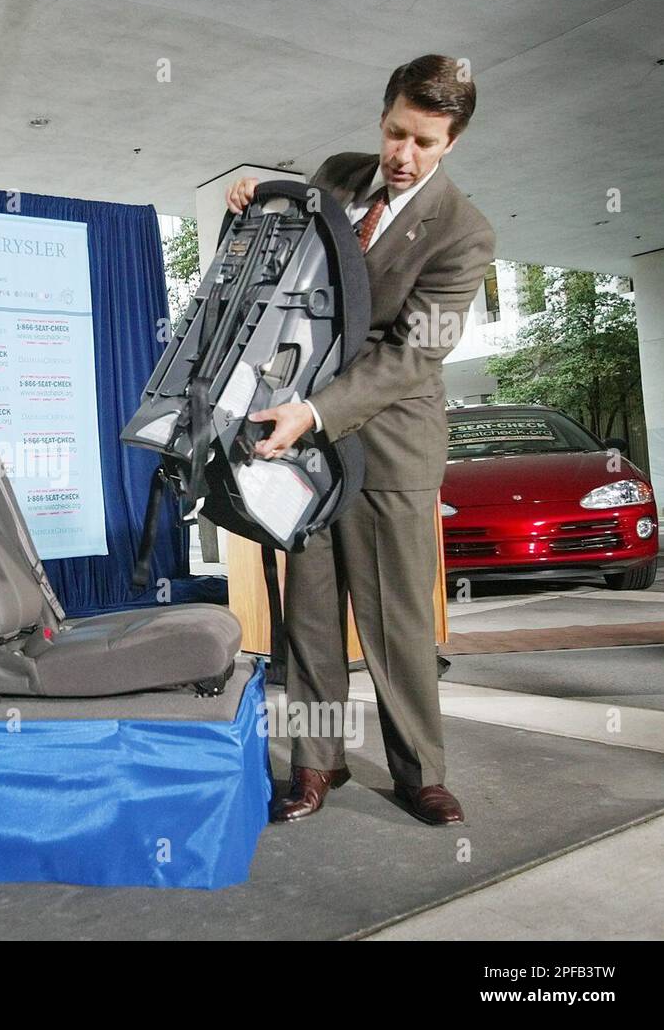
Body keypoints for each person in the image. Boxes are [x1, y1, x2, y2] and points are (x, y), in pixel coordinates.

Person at [225, 55, 495, 828]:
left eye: (423, 141)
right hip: (304, 434)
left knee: (396, 620)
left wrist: (314, 411)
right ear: (382, 115)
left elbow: (413, 355)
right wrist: (252, 206)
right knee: (309, 615)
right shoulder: (338, 176)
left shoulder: (466, 233)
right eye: (394, 131)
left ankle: (420, 771)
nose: (401, 153)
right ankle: (319, 763)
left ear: (453, 142)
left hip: (391, 438)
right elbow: (281, 267)